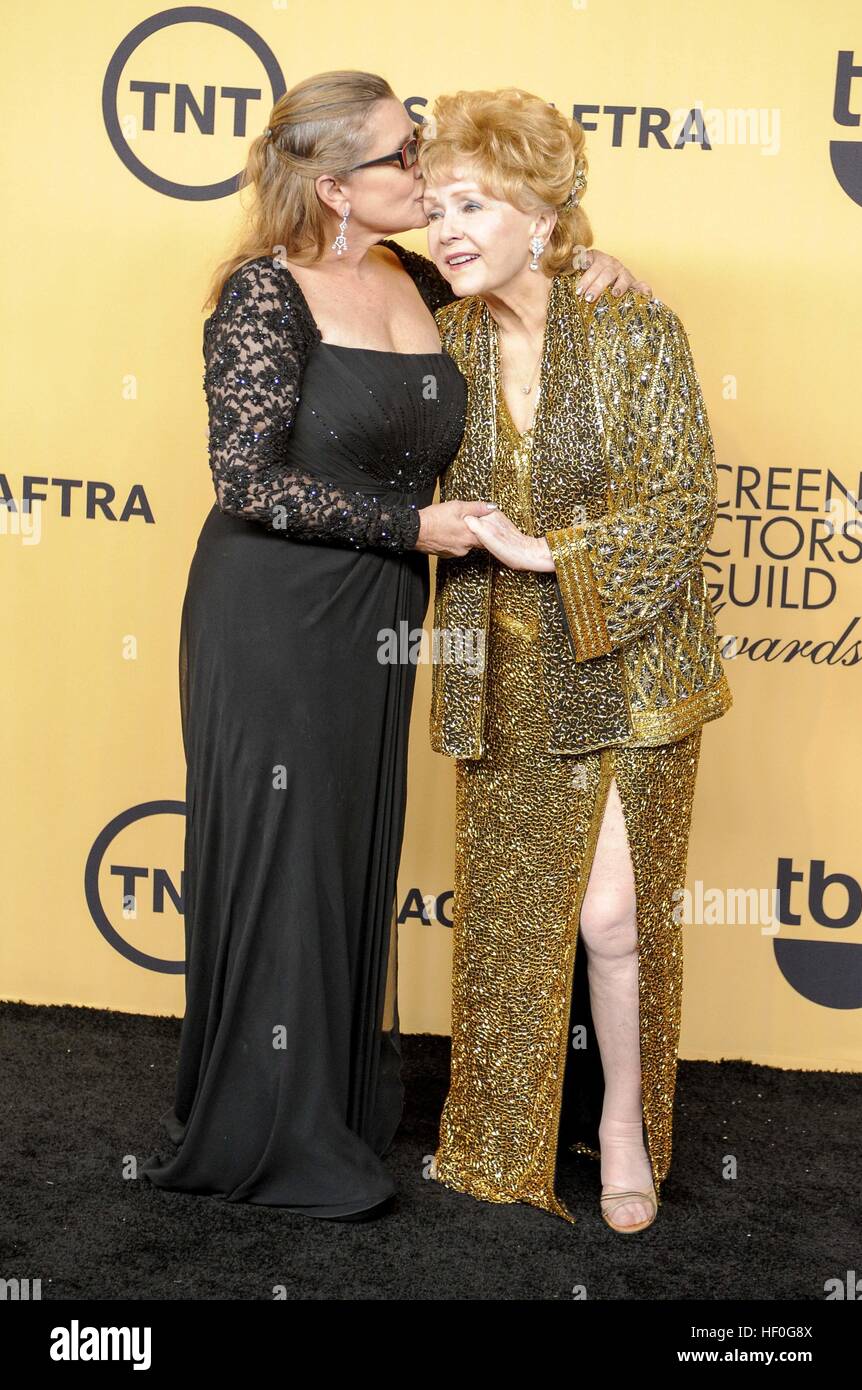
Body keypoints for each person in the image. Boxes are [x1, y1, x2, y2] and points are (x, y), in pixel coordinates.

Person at [140, 70, 646, 1220]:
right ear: (333, 187)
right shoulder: (262, 296)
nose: (426, 176)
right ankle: (268, 1133)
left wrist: (602, 269)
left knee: (347, 850)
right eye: (402, 158)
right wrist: (409, 526)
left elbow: (535, 285)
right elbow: (246, 482)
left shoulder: (416, 276)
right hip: (271, 611)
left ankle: (328, 1101)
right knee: (285, 852)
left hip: (378, 611)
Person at [418, 87, 733, 1233]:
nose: (445, 226)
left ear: (544, 217)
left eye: (473, 204)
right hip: (499, 673)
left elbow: (677, 500)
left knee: (613, 915)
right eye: (435, 204)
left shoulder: (632, 325)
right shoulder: (432, 332)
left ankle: (623, 1127)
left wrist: (542, 554)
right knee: (509, 912)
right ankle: (499, 1126)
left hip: (633, 663)